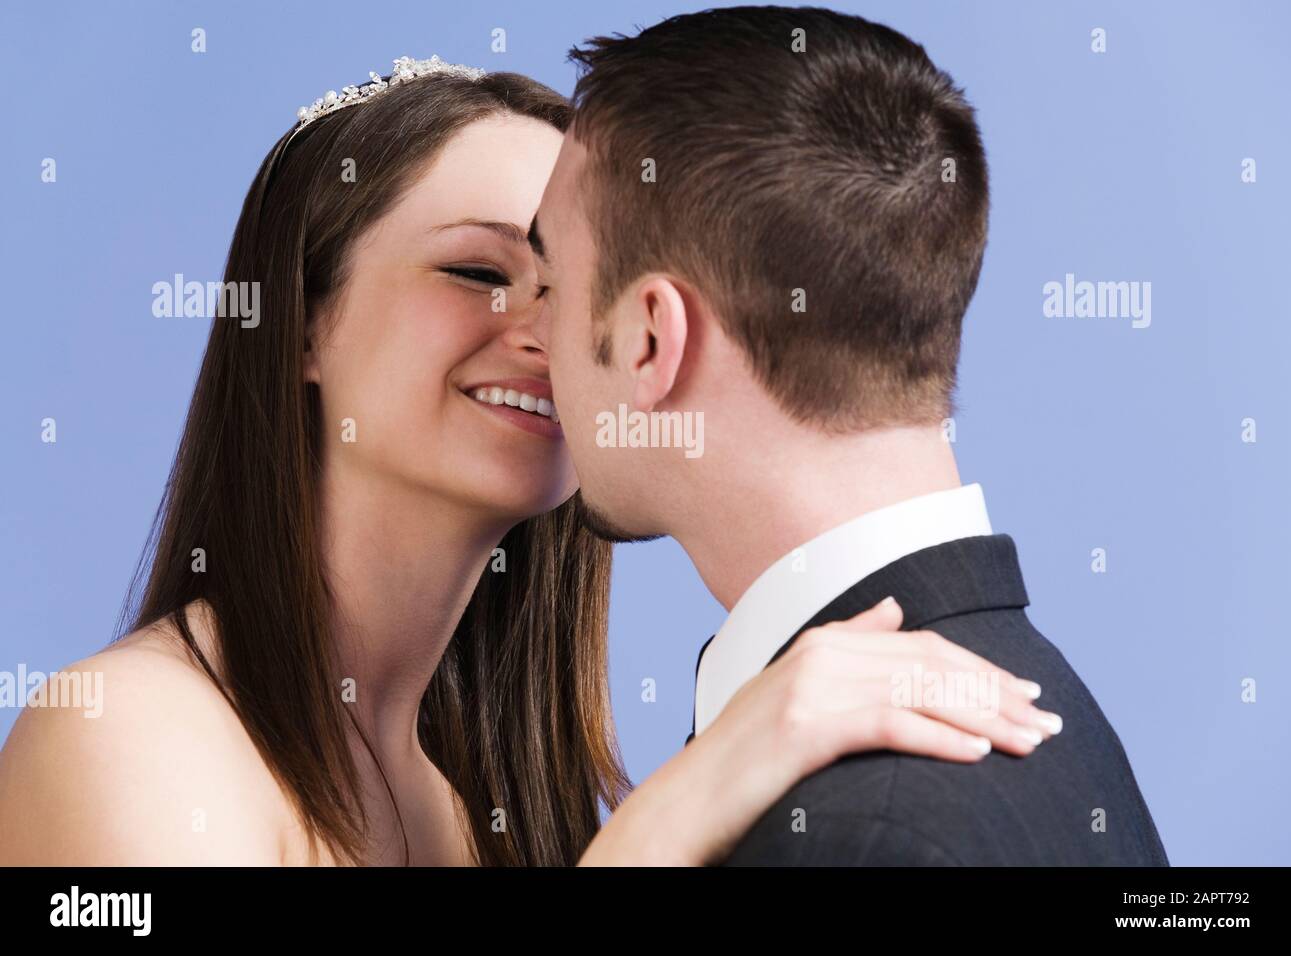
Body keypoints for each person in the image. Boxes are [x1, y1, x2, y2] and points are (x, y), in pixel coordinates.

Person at [0, 55, 1059, 866]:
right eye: (474, 269)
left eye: (569, 283)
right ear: (302, 327)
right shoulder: (127, 740)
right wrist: (667, 822)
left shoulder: (476, 797)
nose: (551, 333)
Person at [531, 7, 1169, 864]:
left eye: (550, 284)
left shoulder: (862, 833)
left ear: (652, 340)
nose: (532, 336)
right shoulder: (1033, 695)